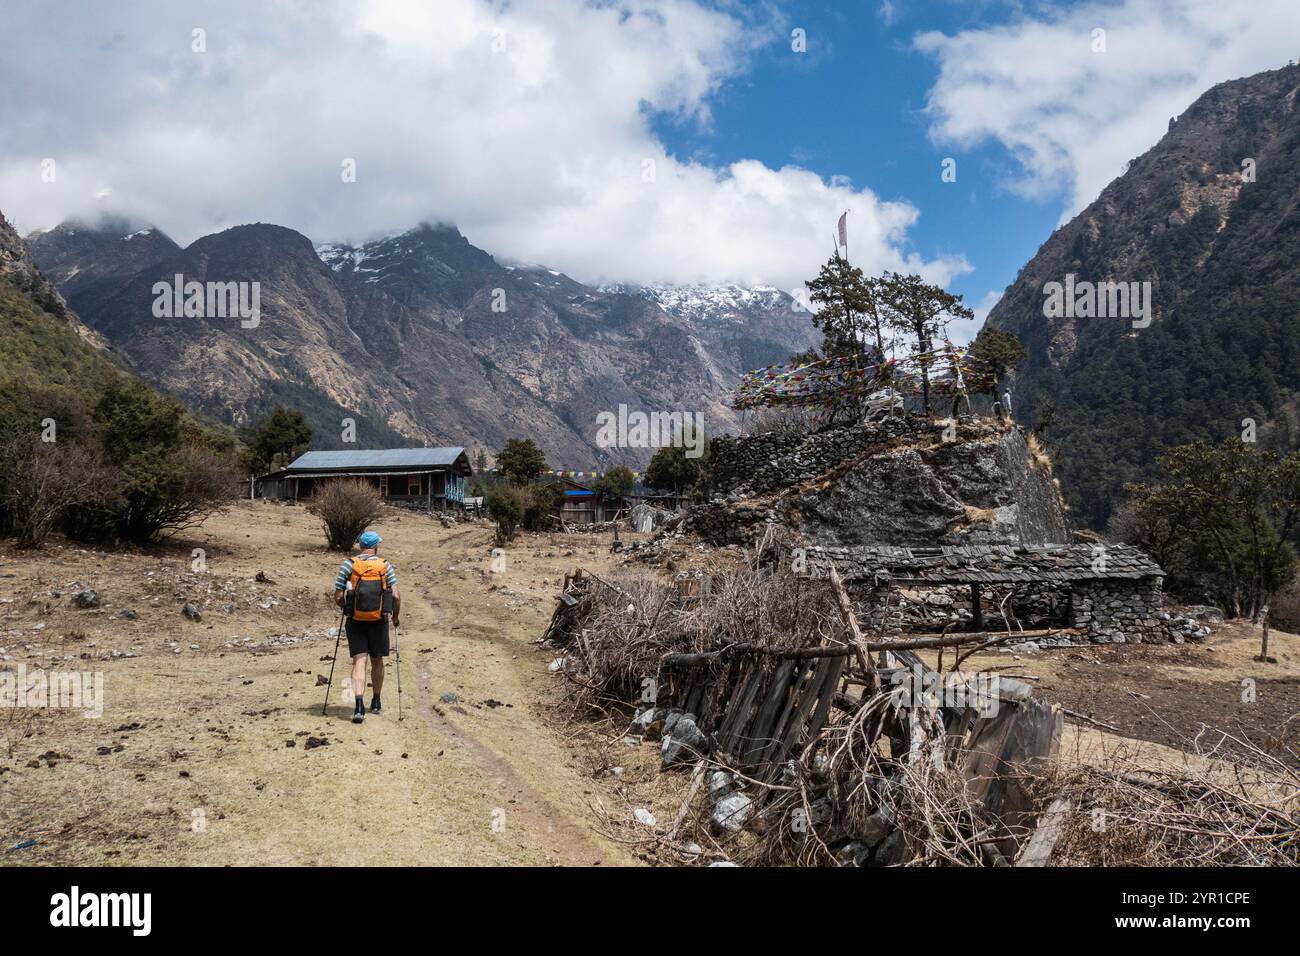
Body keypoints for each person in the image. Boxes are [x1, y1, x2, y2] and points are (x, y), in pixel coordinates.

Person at [333, 530, 400, 723]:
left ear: (361, 545)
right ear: (376, 546)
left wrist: (346, 608)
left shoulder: (349, 564)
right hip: (378, 620)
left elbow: (338, 596)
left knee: (359, 661)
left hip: (356, 620)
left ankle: (359, 706)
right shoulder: (385, 565)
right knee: (377, 660)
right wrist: (395, 617)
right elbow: (395, 596)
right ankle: (376, 701)